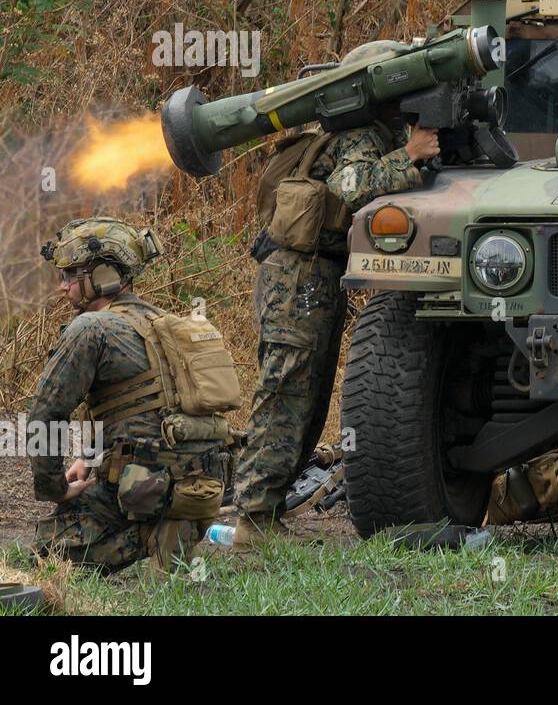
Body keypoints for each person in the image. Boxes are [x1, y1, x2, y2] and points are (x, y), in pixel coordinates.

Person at [233, 44, 441, 545]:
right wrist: (410, 156)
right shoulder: (357, 134)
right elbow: (353, 187)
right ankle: (252, 517)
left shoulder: (368, 132)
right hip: (296, 279)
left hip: (313, 277)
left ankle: (266, 512)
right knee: (286, 390)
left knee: (309, 392)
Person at [31, 217, 235, 573]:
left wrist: (54, 488)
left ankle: (150, 537)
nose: (62, 287)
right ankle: (182, 527)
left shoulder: (91, 327)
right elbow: (134, 403)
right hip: (203, 487)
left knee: (49, 548)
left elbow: (45, 416)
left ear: (102, 276)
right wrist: (90, 458)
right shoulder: (167, 324)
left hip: (145, 489)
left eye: (69, 275)